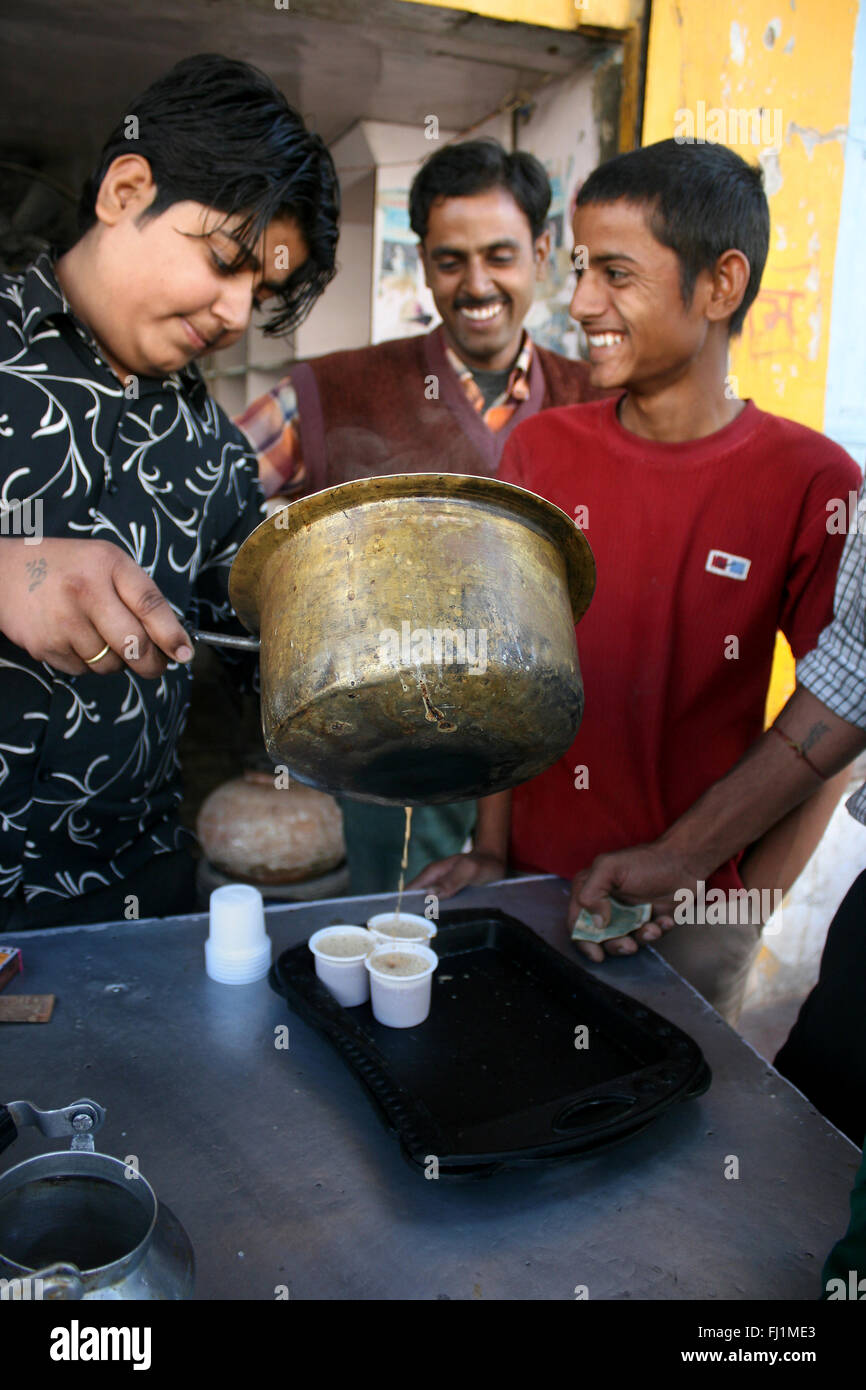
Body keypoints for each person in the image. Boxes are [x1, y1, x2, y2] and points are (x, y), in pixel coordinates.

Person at [411, 137, 860, 1024]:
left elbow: (836, 726)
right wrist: (494, 854)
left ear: (720, 285)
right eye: (579, 270)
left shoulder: (813, 481)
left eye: (616, 273)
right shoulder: (543, 448)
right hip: (533, 891)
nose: (580, 303)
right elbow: (510, 668)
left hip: (685, 919)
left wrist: (735, 904)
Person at [0, 54, 339, 930]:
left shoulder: (217, 456)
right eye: (225, 260)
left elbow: (270, 646)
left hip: (121, 914)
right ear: (125, 190)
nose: (234, 313)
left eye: (258, 290)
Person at [237, 137, 606, 894]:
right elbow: (215, 503)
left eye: (500, 255)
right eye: (449, 260)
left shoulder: (598, 401)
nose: (476, 284)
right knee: (394, 948)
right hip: (387, 754)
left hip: (558, 757)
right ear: (424, 261)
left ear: (541, 251)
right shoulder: (335, 389)